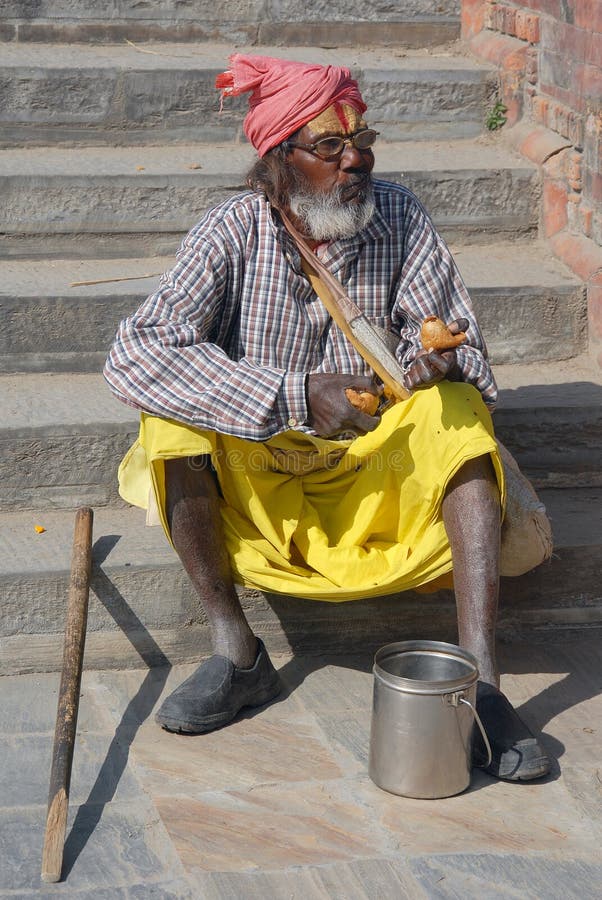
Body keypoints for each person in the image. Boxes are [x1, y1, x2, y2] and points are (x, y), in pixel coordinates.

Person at [104, 54, 550, 781]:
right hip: (265, 475)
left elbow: (458, 332)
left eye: (363, 141)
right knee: (168, 422)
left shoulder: (400, 214)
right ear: (280, 159)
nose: (356, 162)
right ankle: (236, 654)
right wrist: (291, 395)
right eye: (330, 147)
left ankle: (482, 685)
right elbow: (133, 355)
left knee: (459, 412)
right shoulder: (233, 229)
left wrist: (437, 360)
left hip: (376, 475)